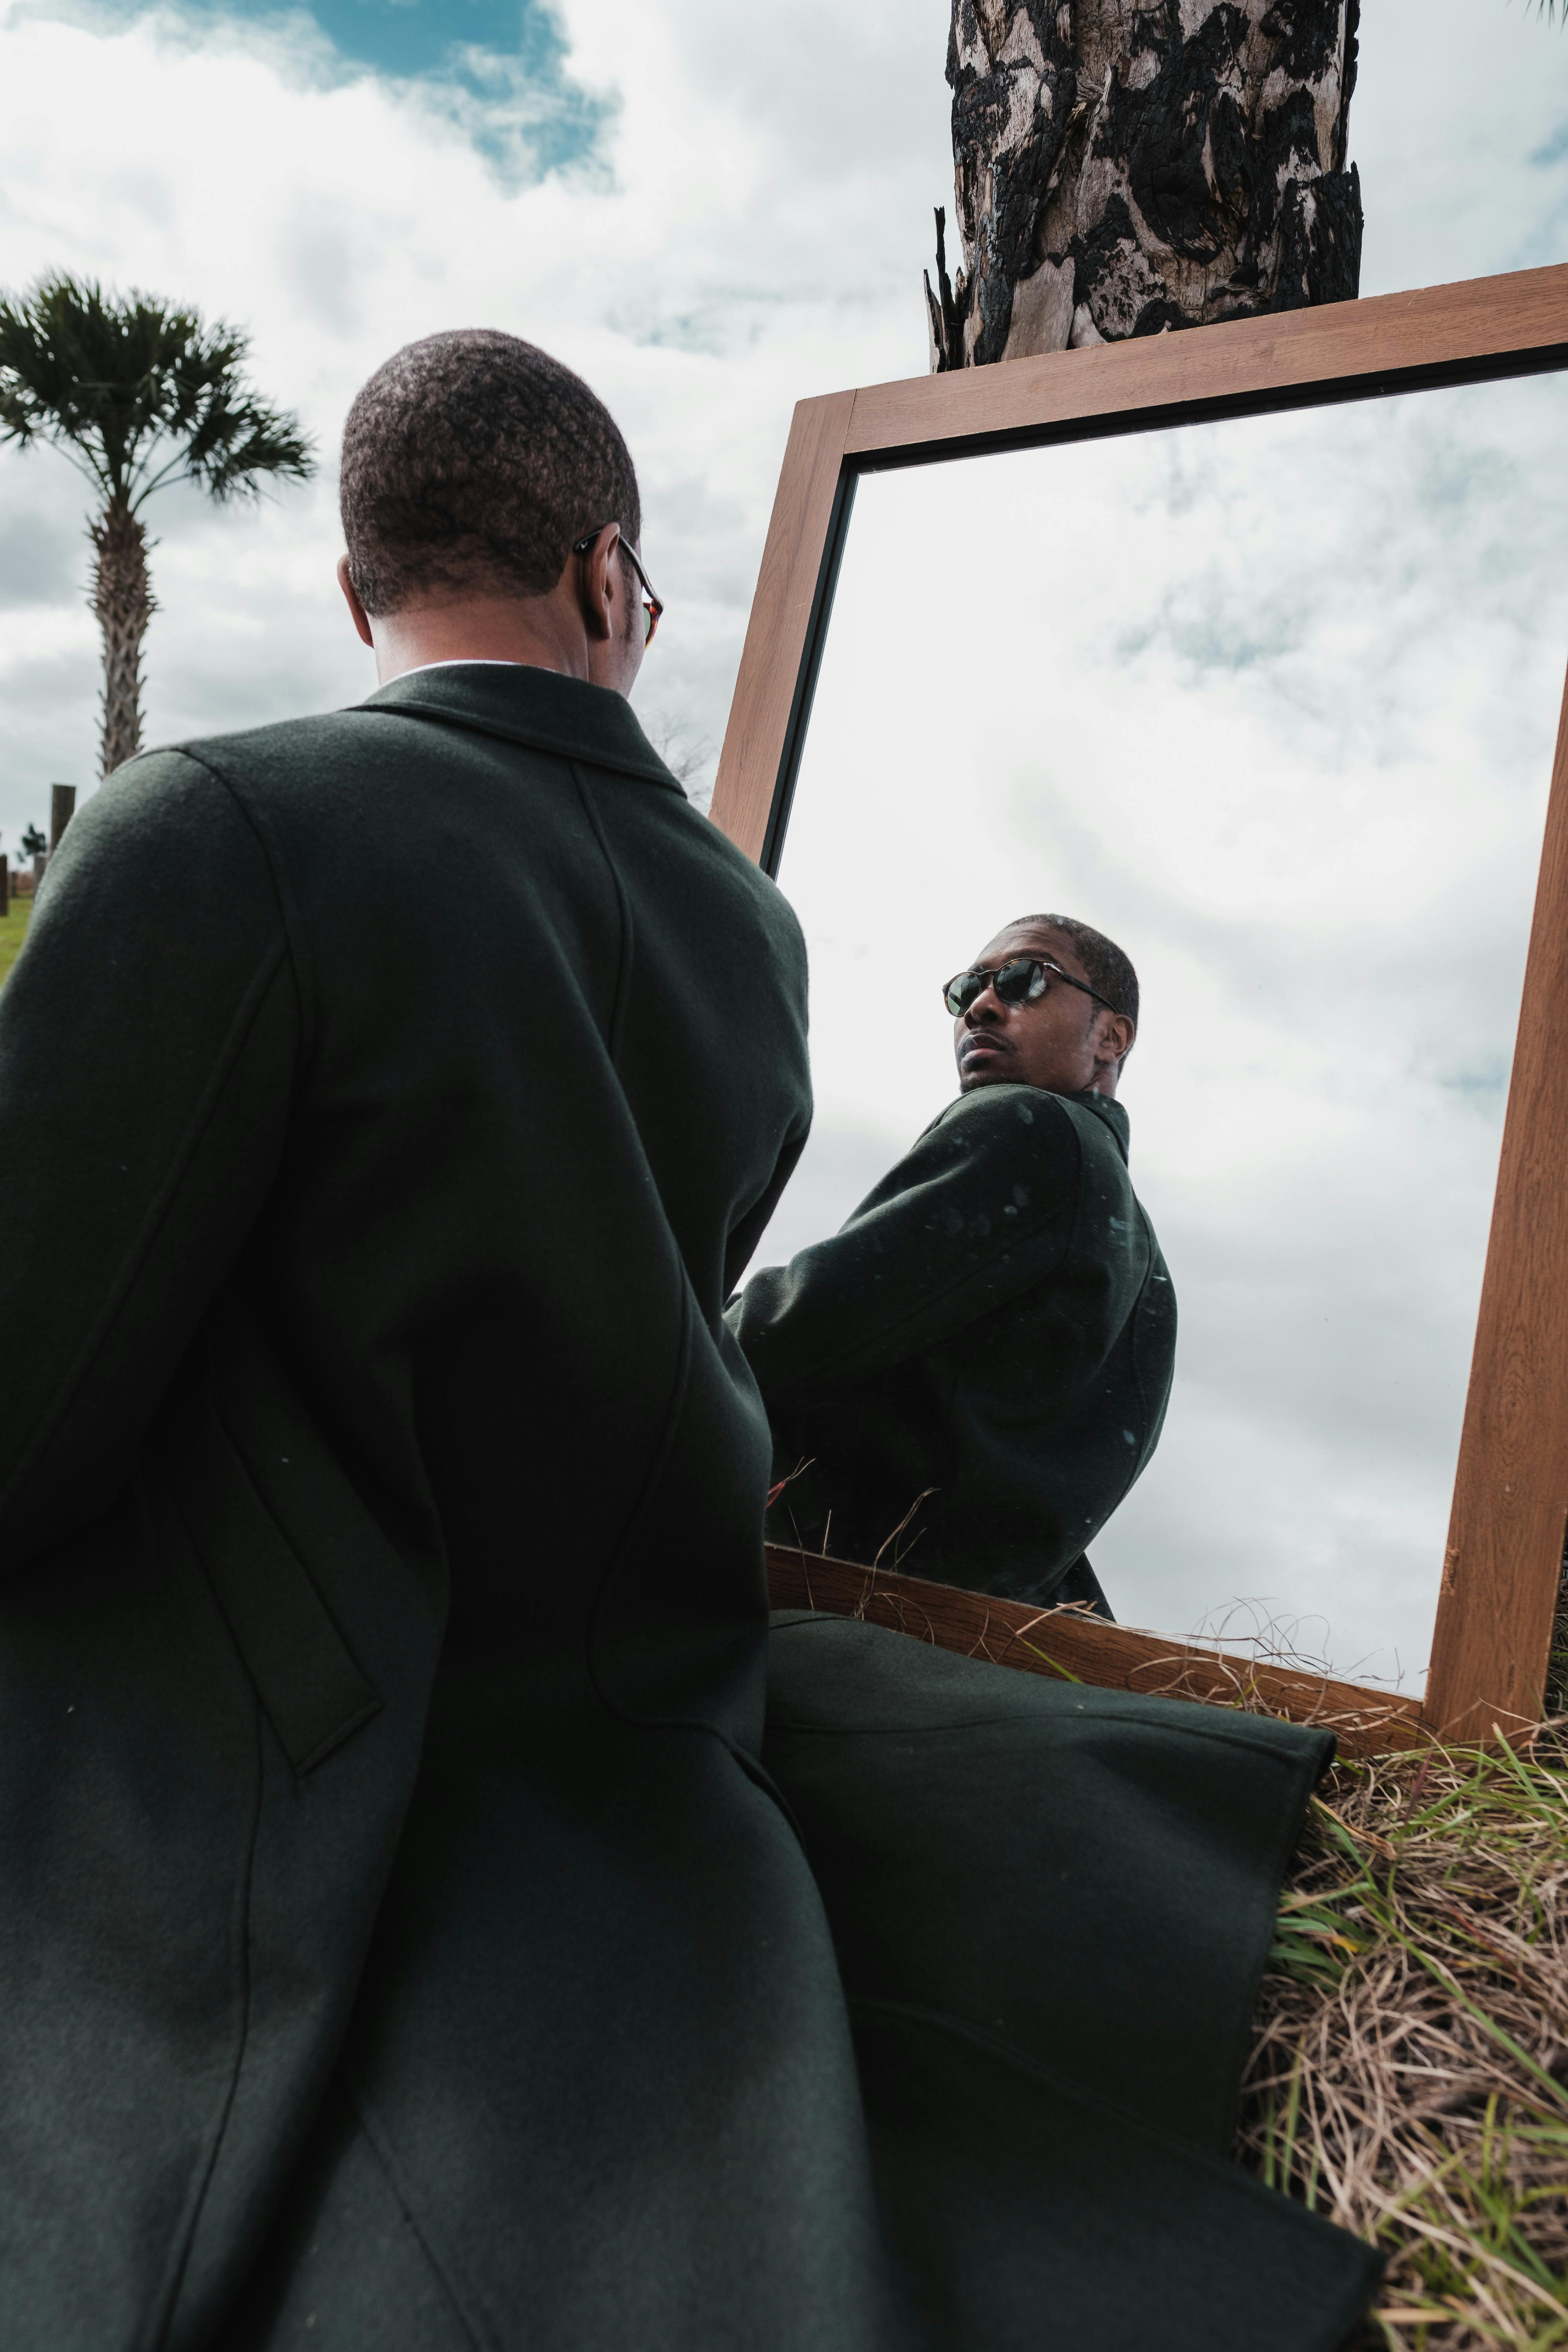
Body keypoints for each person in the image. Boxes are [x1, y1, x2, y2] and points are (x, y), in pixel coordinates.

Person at [0, 333, 1377, 2351]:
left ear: (354, 590)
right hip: (631, 1724)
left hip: (220, 1784)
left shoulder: (212, 820)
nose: (987, 1000)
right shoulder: (753, 939)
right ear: (607, 578)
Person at [731, 913, 1174, 1615]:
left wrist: (648, 1346)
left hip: (824, 1592)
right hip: (955, 1625)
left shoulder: (1029, 1125)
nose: (982, 1003)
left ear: (1111, 1038)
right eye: (967, 988)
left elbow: (794, 1330)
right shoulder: (1136, 1247)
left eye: (1026, 978)